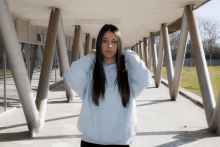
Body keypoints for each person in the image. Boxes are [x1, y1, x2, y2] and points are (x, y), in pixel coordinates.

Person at [64, 24, 152, 146]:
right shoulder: (90, 72)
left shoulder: (128, 75)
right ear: (99, 44)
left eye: (114, 42)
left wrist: (127, 54)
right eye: (104, 41)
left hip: (120, 142)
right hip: (91, 142)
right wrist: (90, 56)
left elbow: (145, 79)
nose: (109, 45)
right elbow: (71, 76)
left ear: (119, 44)